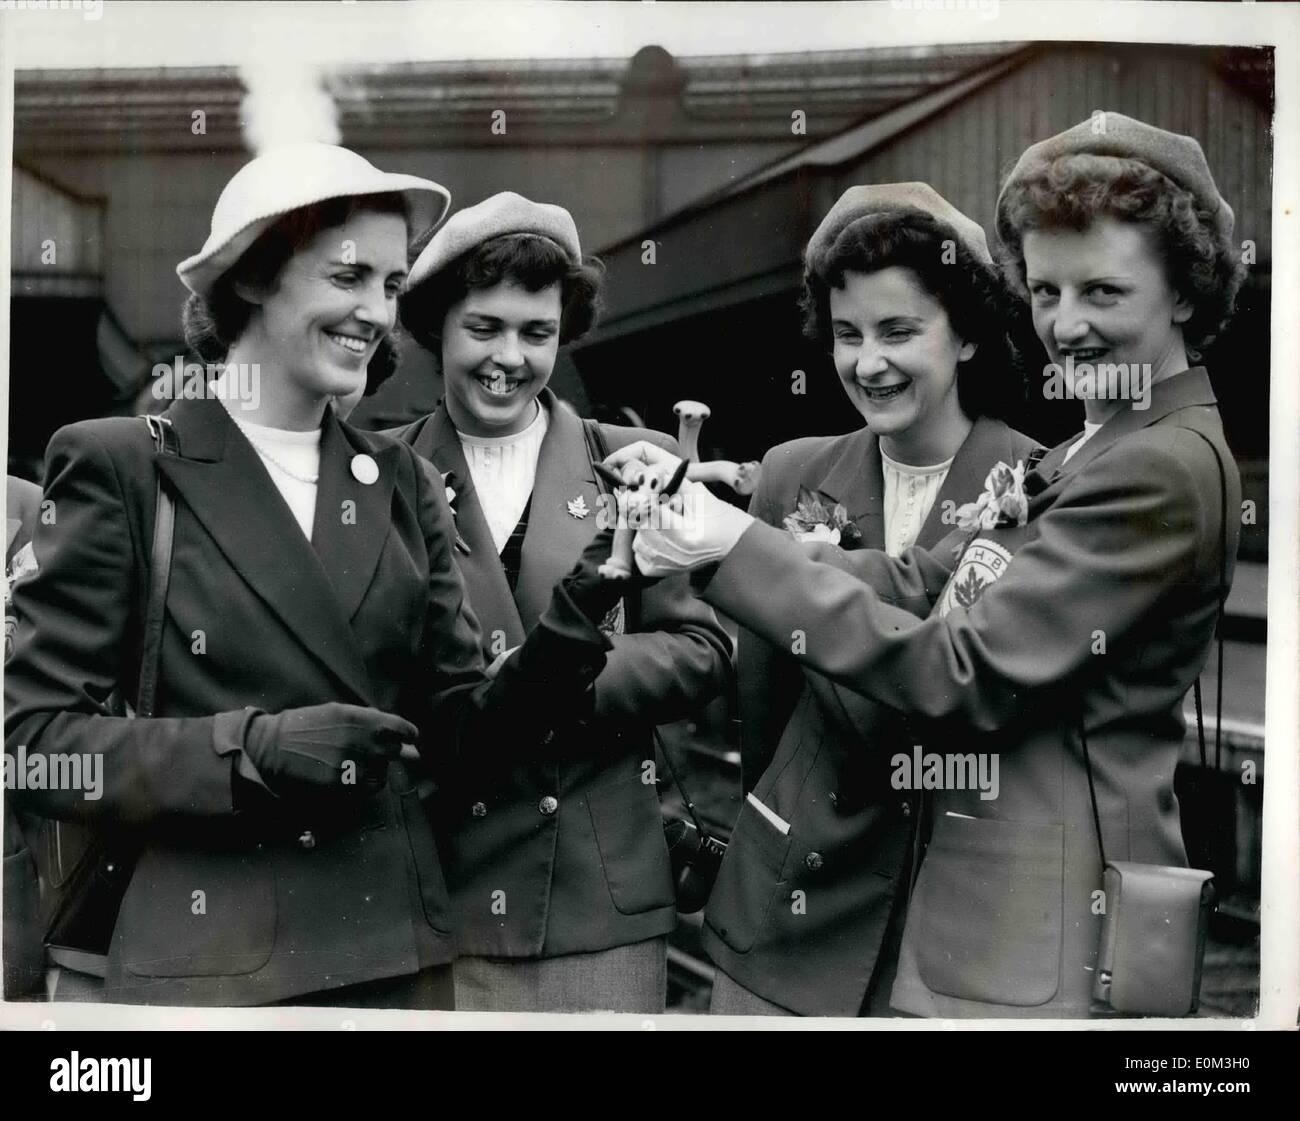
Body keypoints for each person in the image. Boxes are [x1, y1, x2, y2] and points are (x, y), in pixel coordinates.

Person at [608, 112, 1243, 1018]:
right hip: (995, 925)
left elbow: (960, 666)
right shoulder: (1092, 447)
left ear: (1185, 290)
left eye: (1103, 291)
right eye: (1049, 291)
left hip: (1037, 931)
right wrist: (721, 531)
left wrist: (731, 545)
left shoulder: (1155, 463)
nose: (1067, 326)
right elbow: (921, 584)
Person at [4, 144, 628, 1008]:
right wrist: (250, 749)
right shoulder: (122, 464)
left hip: (394, 964)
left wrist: (576, 618)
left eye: (393, 285)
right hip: (209, 970)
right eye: (349, 276)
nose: (376, 312)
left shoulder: (398, 478)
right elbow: (32, 750)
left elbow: (458, 738)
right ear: (254, 275)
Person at [393, 192, 731, 1013]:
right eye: (484, 328)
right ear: (439, 325)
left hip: (596, 896)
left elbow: (704, 648)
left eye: (536, 333)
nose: (509, 357)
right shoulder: (384, 476)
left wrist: (558, 675)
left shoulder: (636, 465)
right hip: (440, 894)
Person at [706, 184, 1037, 1017]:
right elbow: (761, 704)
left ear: (965, 334)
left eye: (898, 332)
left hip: (950, 904)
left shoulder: (1037, 479)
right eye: (847, 335)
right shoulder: (788, 475)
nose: (867, 362)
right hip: (792, 899)